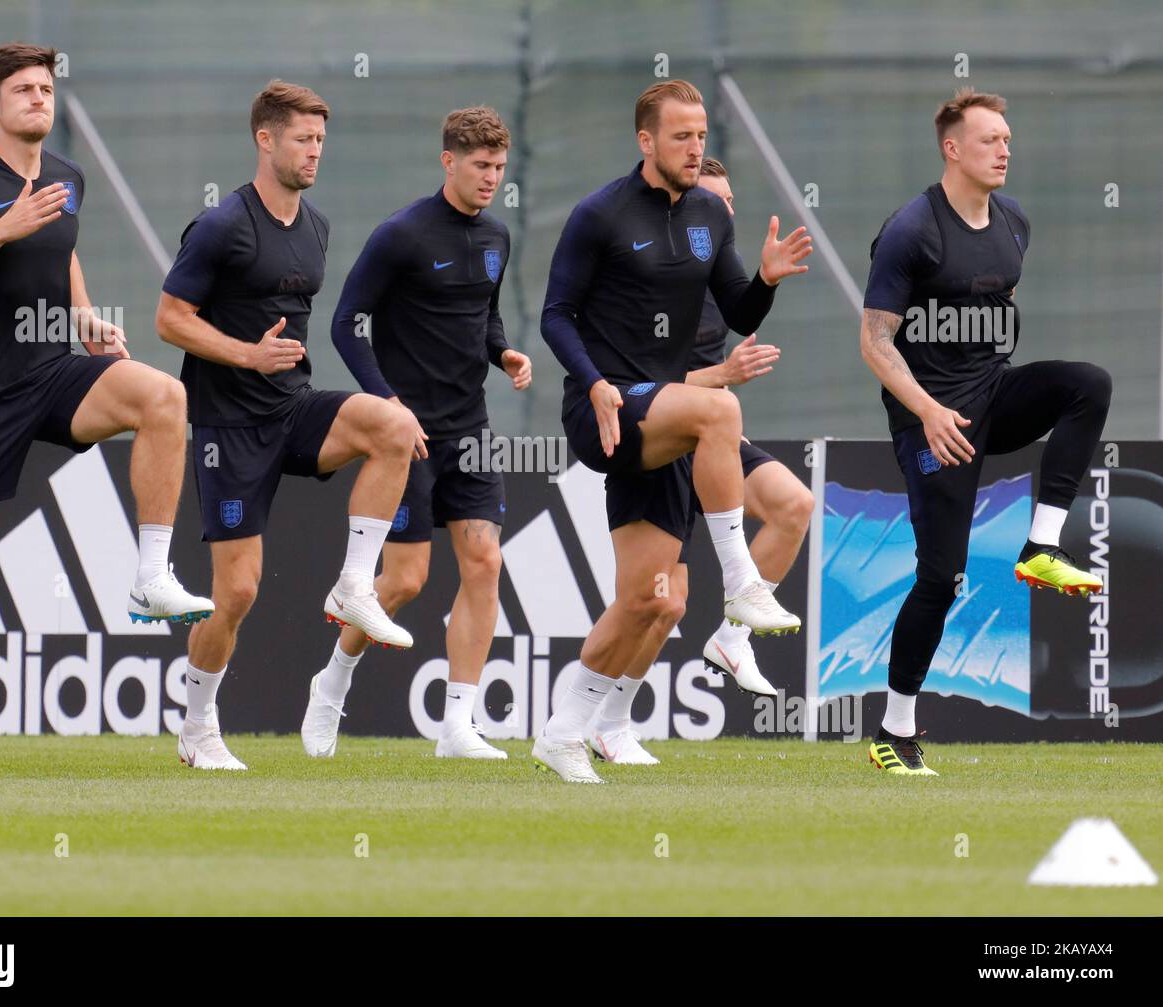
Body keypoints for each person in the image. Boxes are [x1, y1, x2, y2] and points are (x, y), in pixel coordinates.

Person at [0, 43, 212, 779]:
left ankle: (150, 572)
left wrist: (85, 316)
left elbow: (61, 249)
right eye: (23, 90)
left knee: (164, 396)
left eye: (46, 89)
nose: (39, 99)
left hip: (53, 370)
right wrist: (0, 228)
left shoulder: (68, 176)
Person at [534, 80, 812, 783]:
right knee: (719, 409)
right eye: (681, 136)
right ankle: (742, 580)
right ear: (646, 141)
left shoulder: (708, 218)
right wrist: (594, 381)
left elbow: (738, 306)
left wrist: (769, 283)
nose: (695, 148)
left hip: (664, 419)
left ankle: (565, 732)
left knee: (648, 600)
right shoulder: (600, 213)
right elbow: (555, 315)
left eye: (700, 136)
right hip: (602, 409)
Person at [156, 81, 418, 771]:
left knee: (390, 426)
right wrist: (246, 353)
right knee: (237, 591)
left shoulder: (319, 226)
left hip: (293, 408)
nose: (314, 152)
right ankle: (197, 725)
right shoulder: (220, 225)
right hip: (229, 424)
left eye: (321, 141)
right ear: (265, 139)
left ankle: (354, 585)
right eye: (303, 139)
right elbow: (169, 318)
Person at [860, 87, 1111, 776]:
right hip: (932, 420)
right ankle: (895, 729)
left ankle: (1040, 545)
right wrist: (928, 411)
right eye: (989, 138)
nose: (1005, 148)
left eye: (1008, 137)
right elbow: (875, 343)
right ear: (952, 148)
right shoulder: (912, 229)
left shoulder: (1015, 221)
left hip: (992, 396)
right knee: (941, 577)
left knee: (1088, 383)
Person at [303, 106, 532, 760]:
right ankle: (332, 683)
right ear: (448, 161)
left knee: (485, 562)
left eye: (498, 167)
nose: (491, 178)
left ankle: (457, 726)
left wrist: (504, 353)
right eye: (480, 166)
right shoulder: (401, 234)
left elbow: (482, 316)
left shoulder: (496, 237)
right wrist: (388, 404)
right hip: (410, 437)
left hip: (473, 430)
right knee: (403, 579)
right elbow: (348, 323)